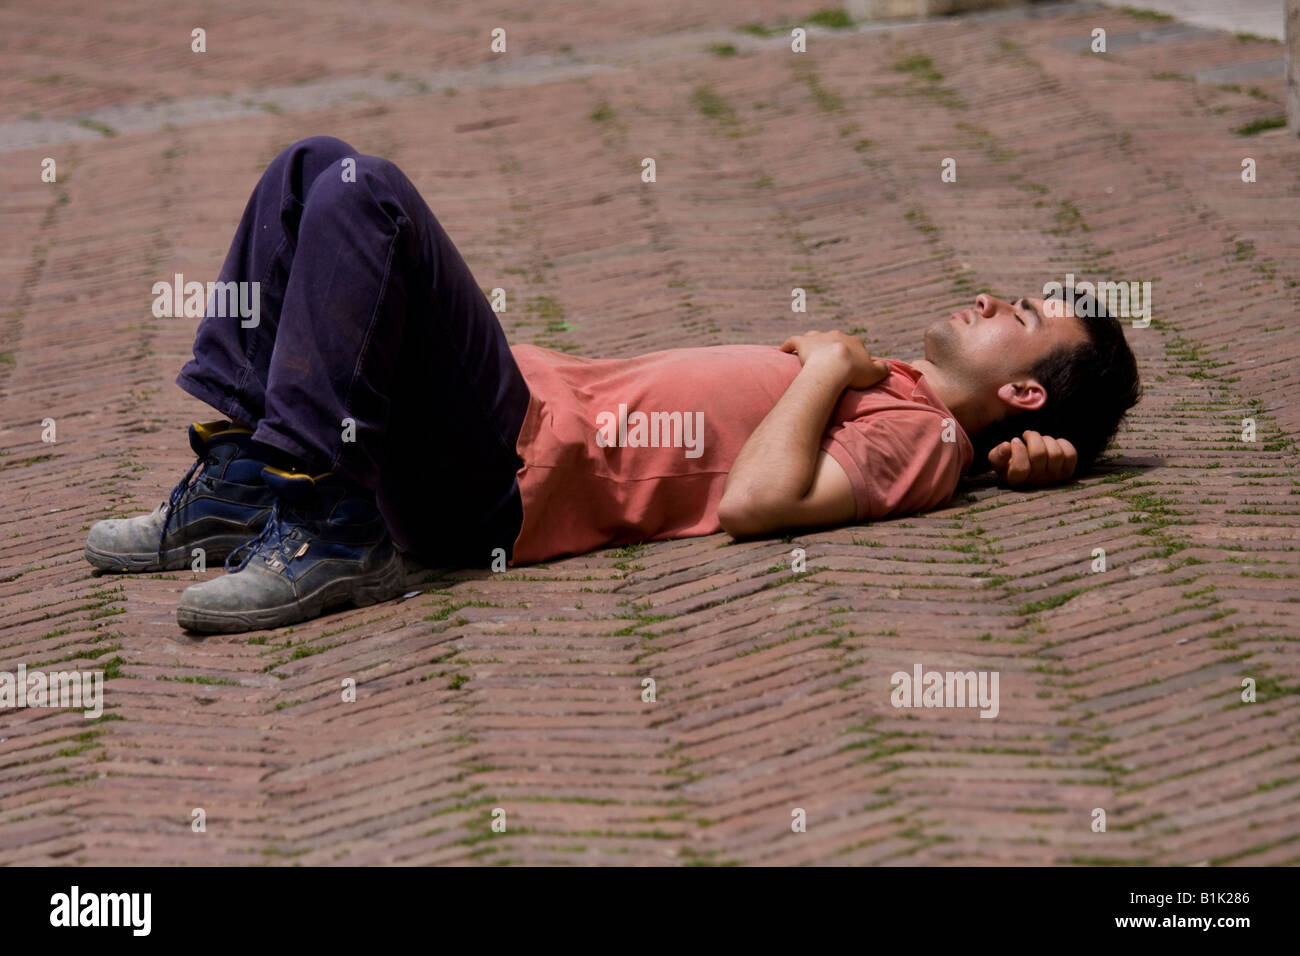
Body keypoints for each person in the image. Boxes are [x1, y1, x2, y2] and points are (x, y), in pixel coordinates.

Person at [83, 136, 1141, 634]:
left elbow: (759, 501)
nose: (999, 301)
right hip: (499, 420)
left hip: (500, 477)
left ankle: (333, 528)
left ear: (1029, 394)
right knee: (308, 169)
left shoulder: (922, 437)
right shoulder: (909, 393)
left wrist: (824, 364)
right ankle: (242, 480)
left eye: (1030, 316)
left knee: (368, 195)